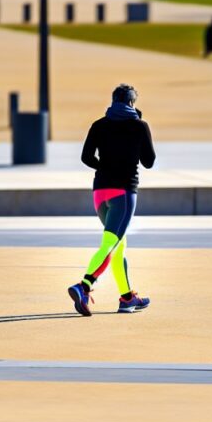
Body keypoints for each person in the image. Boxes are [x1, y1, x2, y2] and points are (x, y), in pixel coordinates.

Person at [68, 84, 155, 317]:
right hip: (123, 194)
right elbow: (149, 161)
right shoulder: (139, 126)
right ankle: (84, 285)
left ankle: (127, 298)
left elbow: (86, 157)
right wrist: (139, 129)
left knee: (118, 245)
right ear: (132, 103)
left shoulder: (99, 125)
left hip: (100, 194)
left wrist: (105, 167)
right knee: (110, 243)